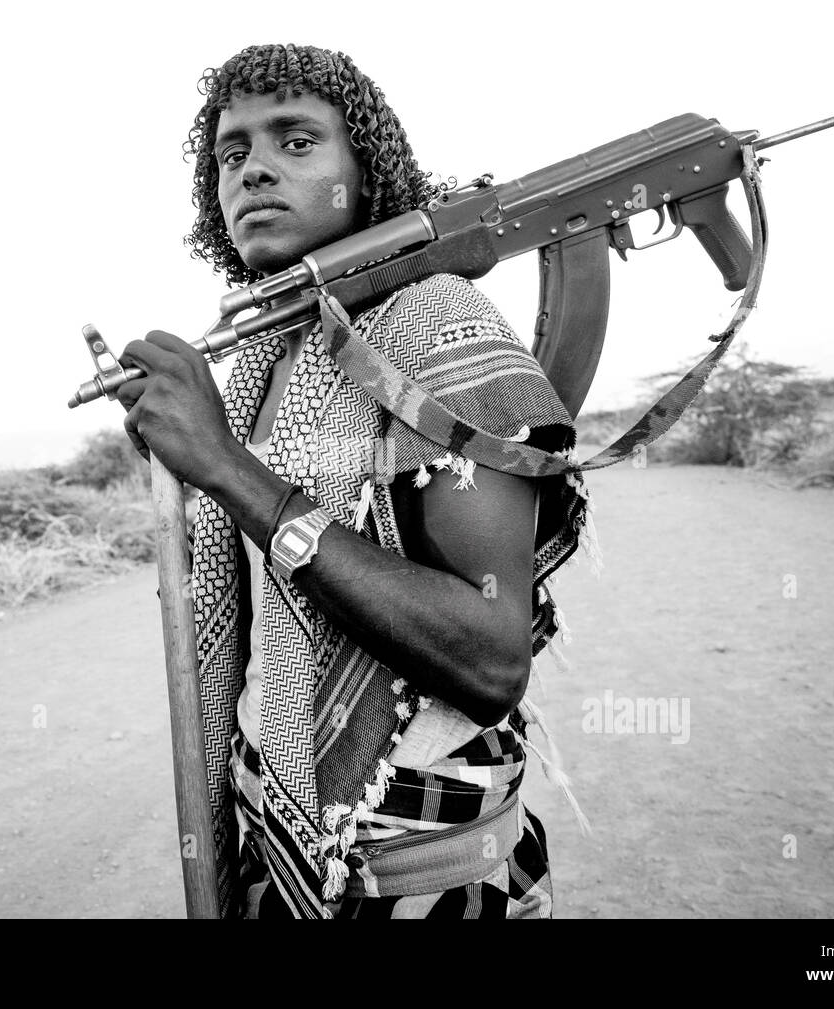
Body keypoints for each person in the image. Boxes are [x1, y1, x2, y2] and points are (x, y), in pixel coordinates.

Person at [117, 42, 597, 919]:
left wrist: (227, 468)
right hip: (288, 842)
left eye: (295, 140)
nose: (253, 169)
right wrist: (180, 460)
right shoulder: (268, 353)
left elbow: (490, 659)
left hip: (420, 869)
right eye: (231, 154)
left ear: (364, 172)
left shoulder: (435, 322)